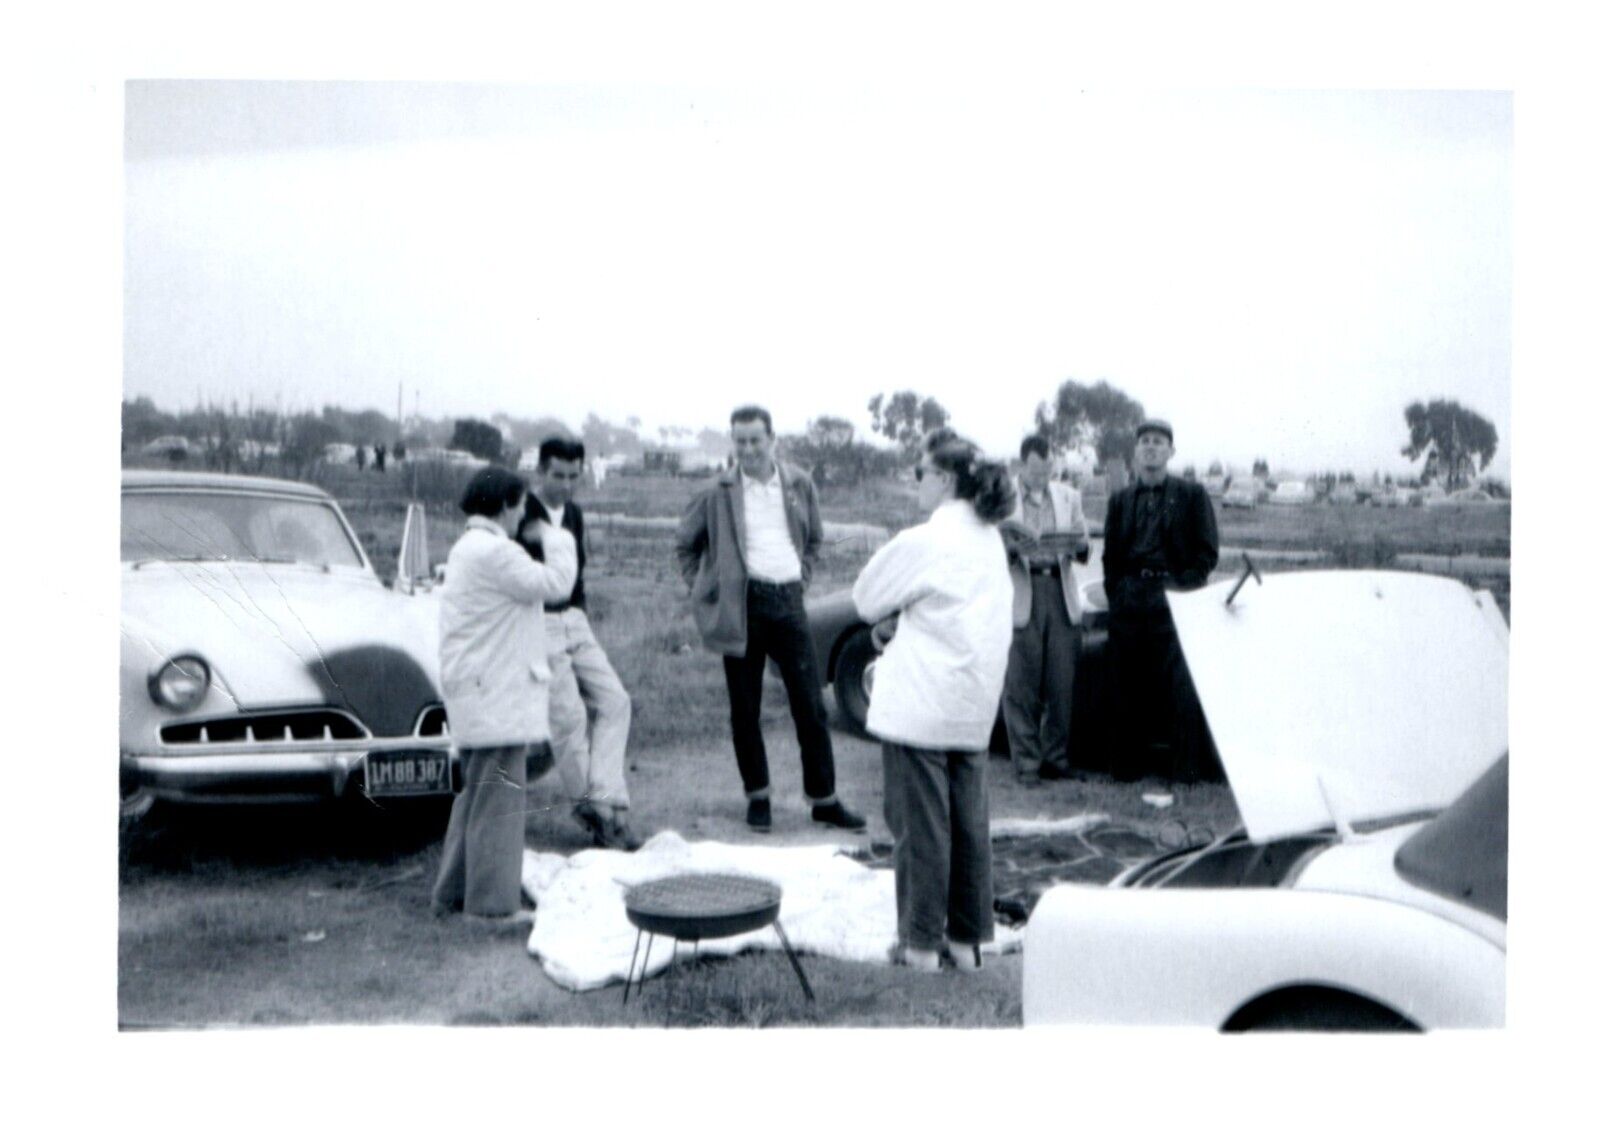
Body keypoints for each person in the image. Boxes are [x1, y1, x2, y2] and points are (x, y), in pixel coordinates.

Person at [851, 430, 1017, 972]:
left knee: (921, 833)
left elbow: (865, 596)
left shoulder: (929, 537)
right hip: (971, 708)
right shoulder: (990, 539)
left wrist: (896, 620)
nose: (914, 482)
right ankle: (967, 945)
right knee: (969, 830)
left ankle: (919, 947)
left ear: (944, 480)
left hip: (921, 707)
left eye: (919, 473)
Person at [674, 405, 866, 833]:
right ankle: (758, 798)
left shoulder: (798, 482)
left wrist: (802, 578)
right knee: (745, 710)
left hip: (788, 603)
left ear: (772, 440)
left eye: (755, 440)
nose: (747, 449)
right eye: (739, 441)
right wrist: (705, 590)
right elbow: (685, 546)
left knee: (811, 706)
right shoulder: (716, 491)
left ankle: (824, 799)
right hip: (741, 608)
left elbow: (814, 539)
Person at [431, 466, 577, 931]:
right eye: (520, 507)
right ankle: (491, 908)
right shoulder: (495, 552)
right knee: (498, 801)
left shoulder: (468, 548)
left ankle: (454, 895)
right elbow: (557, 585)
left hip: (479, 691)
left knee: (475, 798)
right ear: (504, 506)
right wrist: (555, 537)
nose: (522, 518)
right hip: (493, 695)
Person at [516, 436, 640, 852]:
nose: (565, 484)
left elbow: (578, 573)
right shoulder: (520, 512)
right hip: (539, 620)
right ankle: (600, 818)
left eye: (573, 475)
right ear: (540, 472)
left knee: (616, 700)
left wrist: (580, 613)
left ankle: (606, 794)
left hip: (574, 618)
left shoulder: (574, 513)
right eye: (557, 475)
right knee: (568, 720)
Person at [1101, 419, 1220, 782]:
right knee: (1126, 683)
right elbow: (1110, 557)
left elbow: (1207, 552)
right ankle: (1125, 768)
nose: (1151, 447)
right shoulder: (1120, 501)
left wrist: (1183, 588)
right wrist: (1118, 593)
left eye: (1158, 442)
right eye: (1145, 442)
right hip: (1131, 598)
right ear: (1135, 452)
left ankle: (1184, 768)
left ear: (1171, 451)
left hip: (1174, 597)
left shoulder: (1191, 495)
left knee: (1179, 685)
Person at [999, 434, 1092, 785]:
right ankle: (1027, 764)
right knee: (1021, 684)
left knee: (1061, 682)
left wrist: (1079, 545)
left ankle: (1056, 758)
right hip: (1021, 590)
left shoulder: (1069, 496)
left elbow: (1083, 547)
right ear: (1022, 465)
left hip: (1060, 589)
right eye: (1035, 471)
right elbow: (990, 549)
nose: (1041, 478)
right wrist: (1009, 548)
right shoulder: (1004, 500)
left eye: (1047, 470)